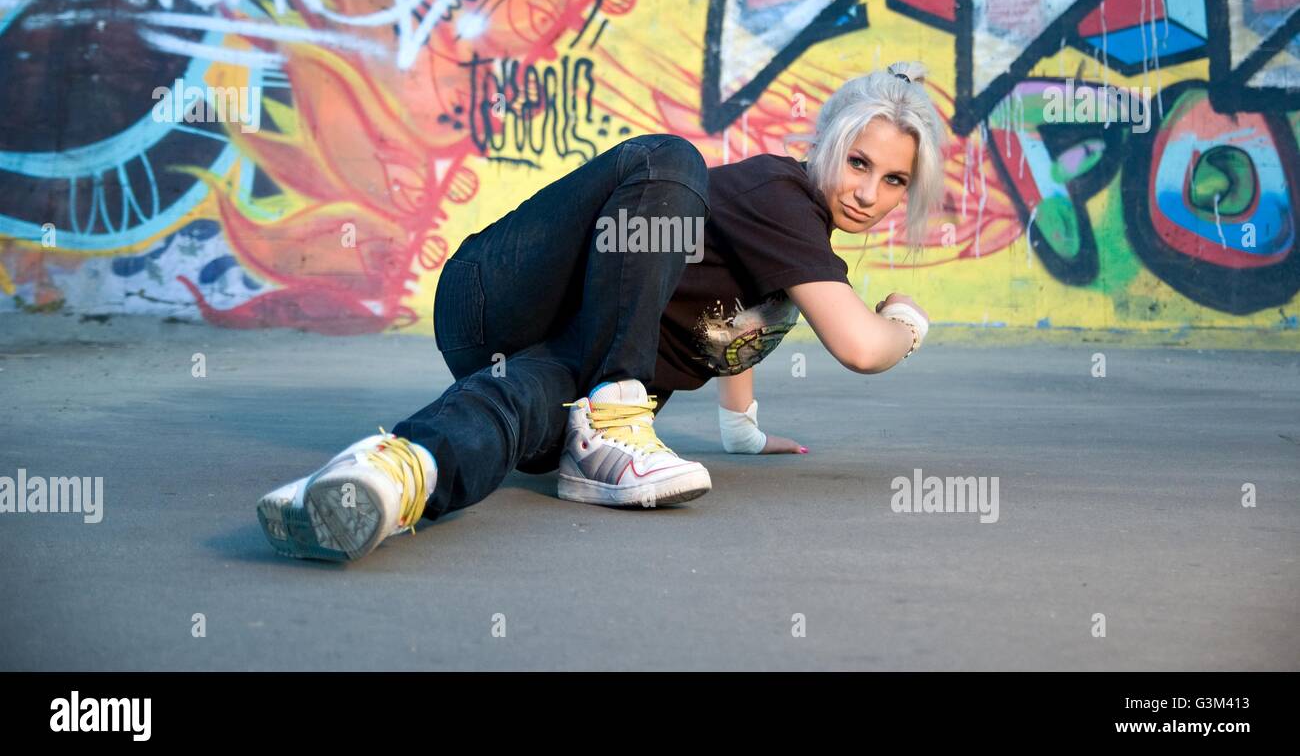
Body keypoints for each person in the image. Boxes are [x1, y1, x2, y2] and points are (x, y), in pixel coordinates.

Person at [256, 61, 950, 561]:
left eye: (894, 181)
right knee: (670, 161)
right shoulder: (780, 189)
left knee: (527, 398)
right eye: (858, 163)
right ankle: (617, 410)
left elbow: (739, 324)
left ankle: (384, 477)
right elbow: (863, 347)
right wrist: (908, 323)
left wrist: (742, 431)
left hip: (573, 359)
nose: (868, 192)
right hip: (492, 296)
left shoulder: (796, 247)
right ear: (826, 144)